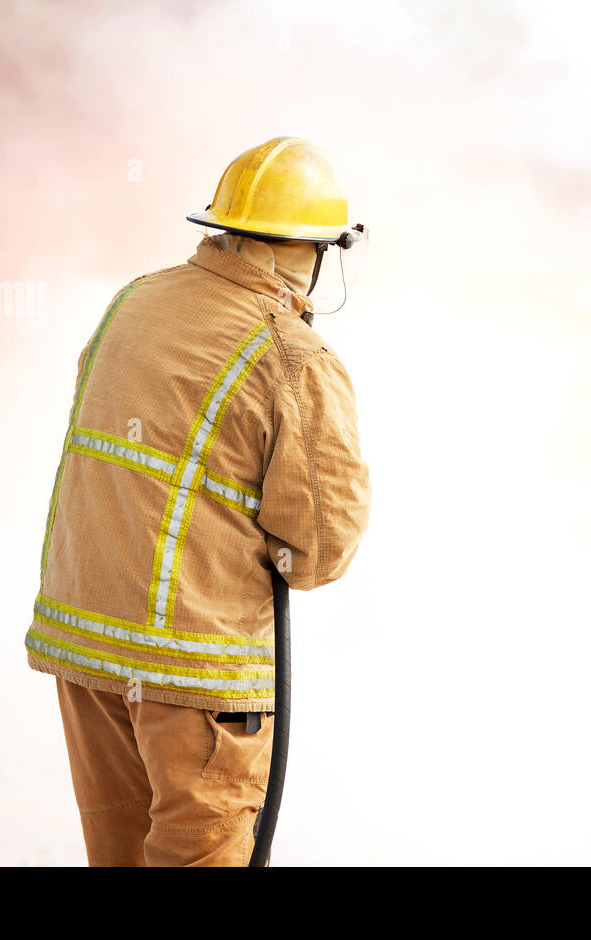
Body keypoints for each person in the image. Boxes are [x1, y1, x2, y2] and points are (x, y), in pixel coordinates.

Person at [25, 137, 371, 866]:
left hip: (86, 648)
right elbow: (319, 552)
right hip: (195, 679)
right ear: (306, 250)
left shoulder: (134, 301)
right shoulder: (290, 356)